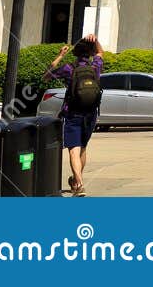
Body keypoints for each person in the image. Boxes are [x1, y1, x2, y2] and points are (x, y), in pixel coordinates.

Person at [43, 36, 104, 196]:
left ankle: (79, 184)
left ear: (75, 53)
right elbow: (101, 52)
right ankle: (76, 182)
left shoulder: (69, 68)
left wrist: (61, 55)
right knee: (83, 148)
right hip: (90, 114)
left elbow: (46, 75)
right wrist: (95, 40)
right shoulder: (95, 66)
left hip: (72, 113)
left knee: (73, 150)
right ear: (91, 53)